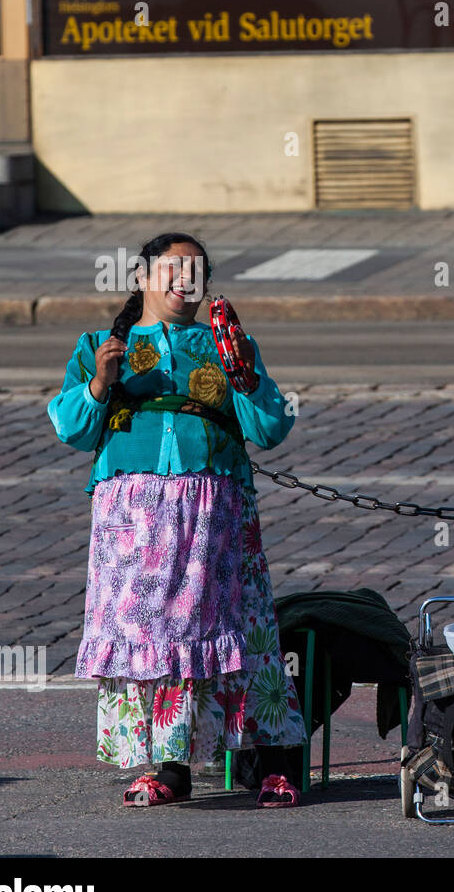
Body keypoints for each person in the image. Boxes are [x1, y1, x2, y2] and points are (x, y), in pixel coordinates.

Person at [47, 232, 308, 808]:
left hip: (216, 513)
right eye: (172, 268)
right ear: (141, 278)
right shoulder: (99, 344)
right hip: (132, 519)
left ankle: (272, 763)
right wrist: (99, 383)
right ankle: (167, 768)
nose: (183, 279)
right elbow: (72, 429)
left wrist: (243, 374)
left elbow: (269, 429)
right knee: (150, 635)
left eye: (196, 270)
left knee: (240, 630)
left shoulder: (227, 343)